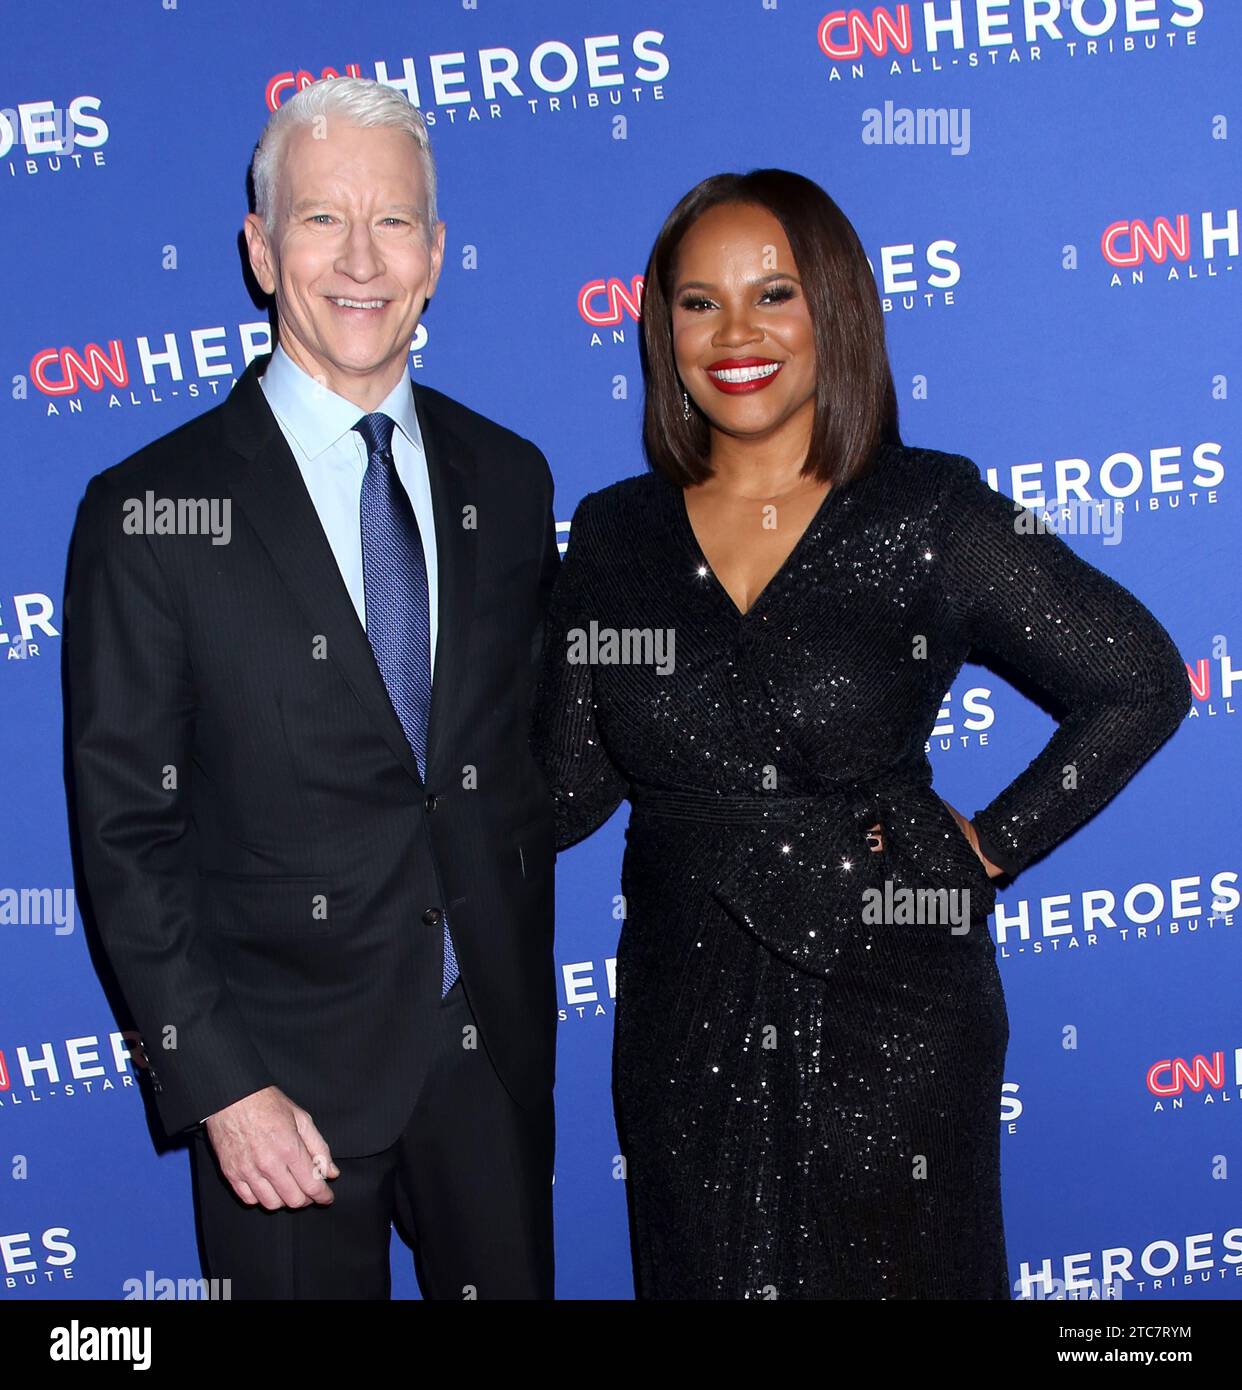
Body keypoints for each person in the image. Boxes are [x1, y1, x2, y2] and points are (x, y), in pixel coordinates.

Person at [531, 168, 1191, 1300]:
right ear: (662, 329)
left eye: (772, 294)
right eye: (698, 302)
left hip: (894, 1001)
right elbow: (567, 789)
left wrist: (990, 849)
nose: (734, 333)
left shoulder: (929, 509)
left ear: (831, 309)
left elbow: (1139, 680)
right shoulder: (613, 533)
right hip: (685, 1008)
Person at [64, 76, 560, 1299]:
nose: (360, 258)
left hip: (485, 1059)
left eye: (393, 221)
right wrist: (220, 1083)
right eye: (320, 219)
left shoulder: (510, 475)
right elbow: (126, 833)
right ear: (259, 249)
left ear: (437, 255)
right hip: (278, 1089)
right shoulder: (150, 512)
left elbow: (518, 752)